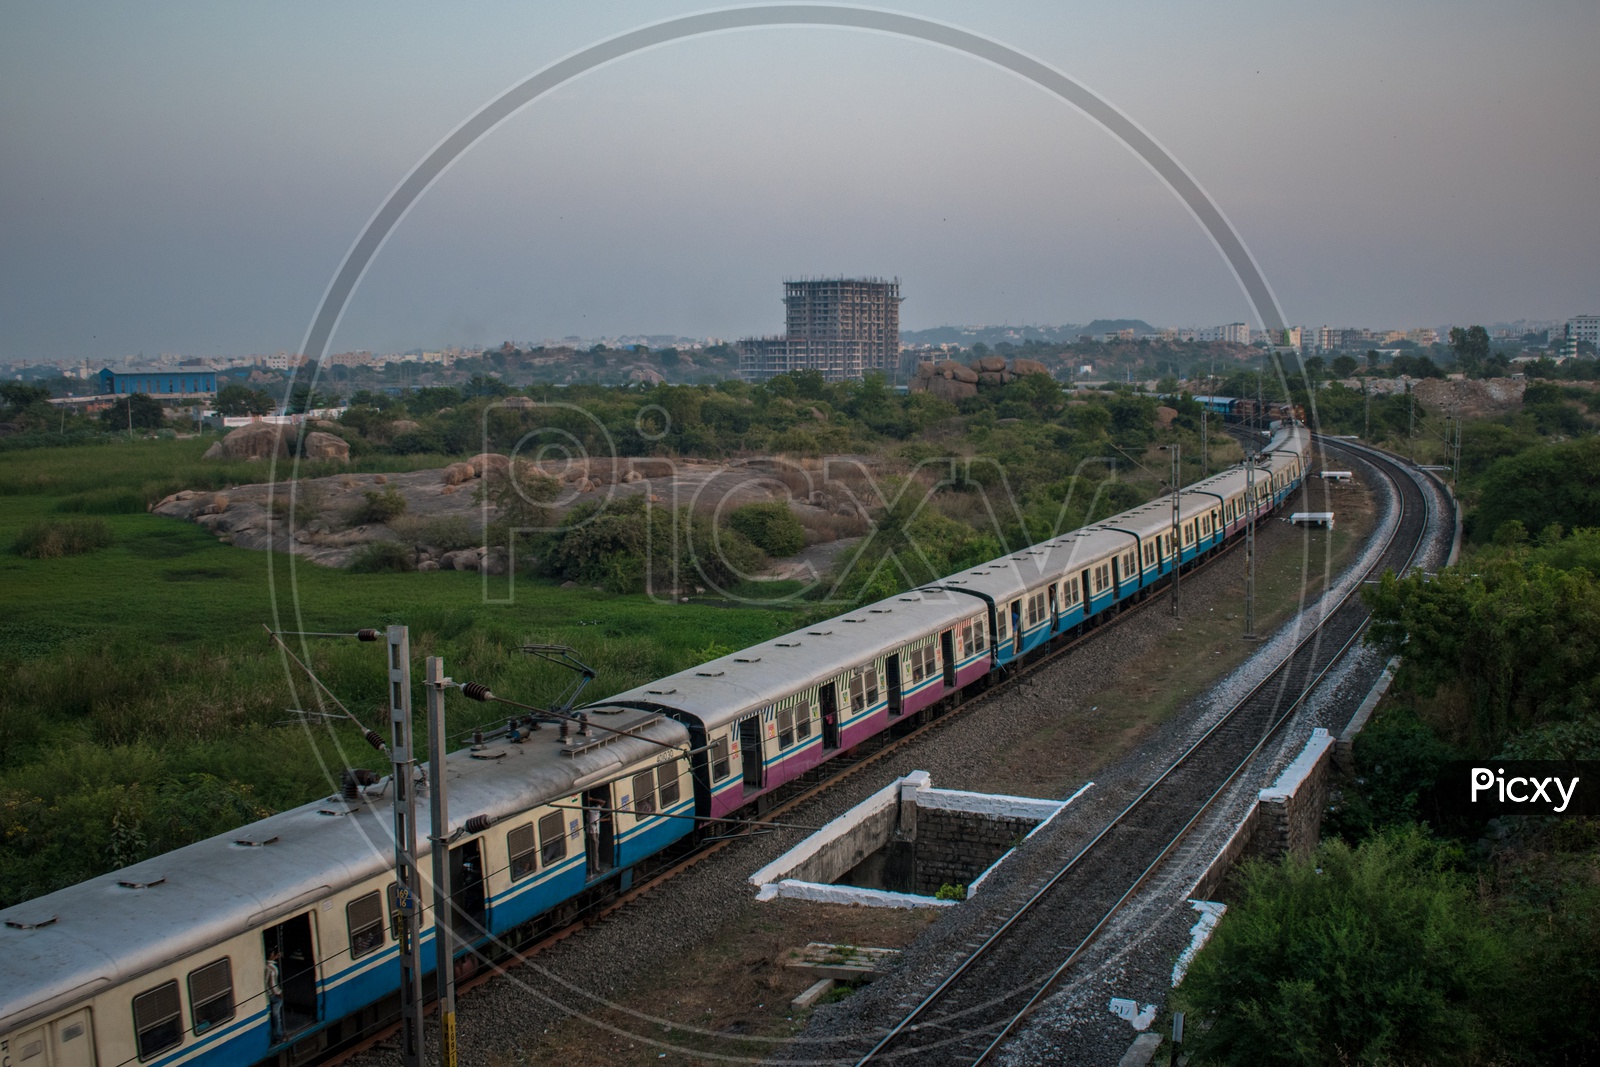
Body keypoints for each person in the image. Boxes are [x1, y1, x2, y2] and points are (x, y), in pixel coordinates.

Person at [264, 946, 283, 1041]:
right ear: (271, 954)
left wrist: (275, 957)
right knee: (276, 1014)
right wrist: (279, 993)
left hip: (267, 995)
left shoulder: (265, 966)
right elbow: (273, 984)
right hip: (273, 995)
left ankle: (273, 1033)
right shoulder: (273, 969)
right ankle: (279, 1034)